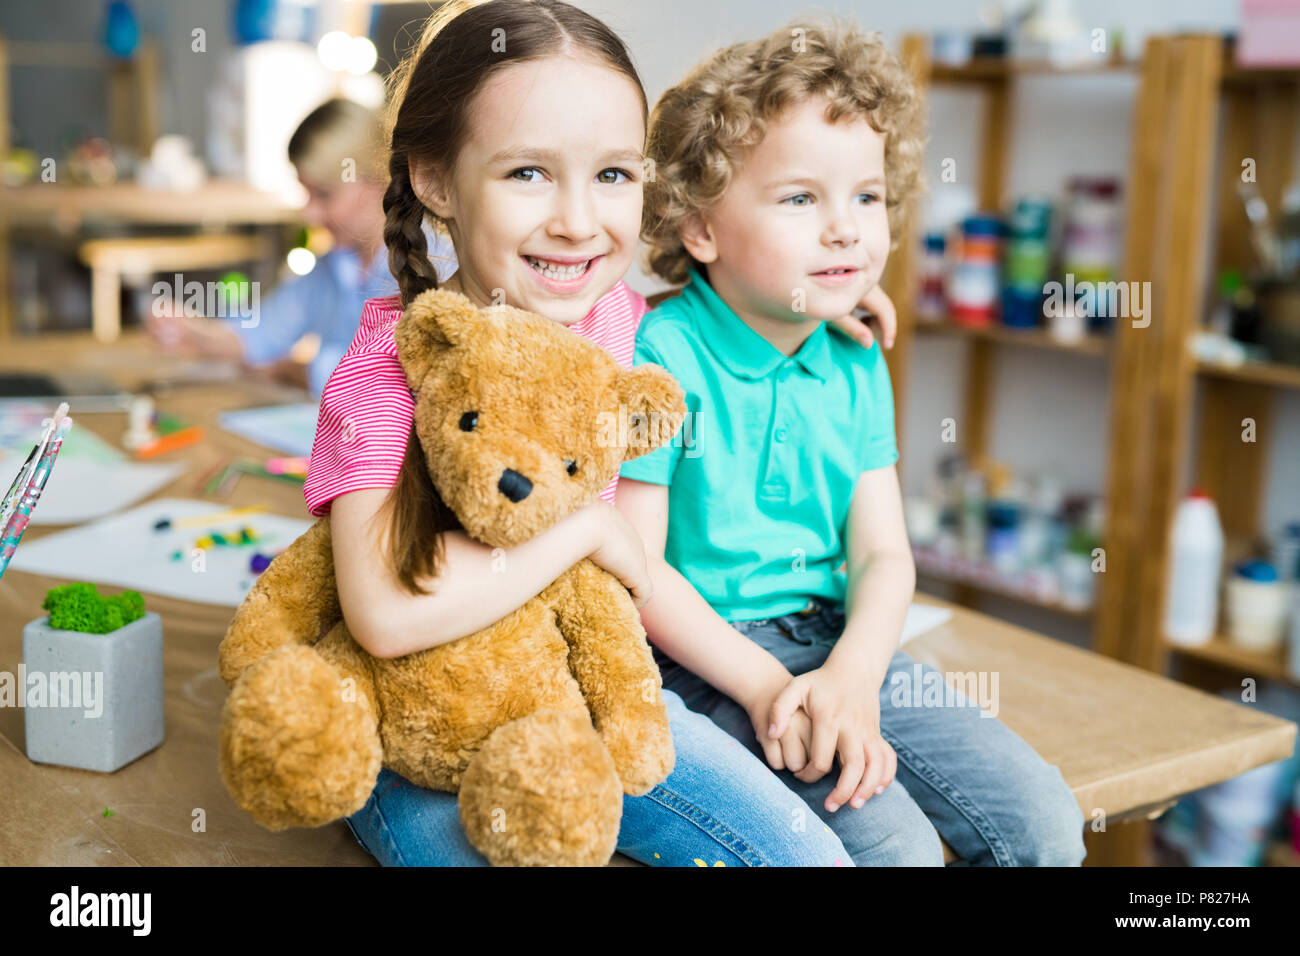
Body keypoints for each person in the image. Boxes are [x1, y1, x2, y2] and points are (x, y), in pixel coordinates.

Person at [304, 0, 896, 866]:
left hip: (585, 689)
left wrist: (826, 302)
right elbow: (388, 616)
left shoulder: (615, 319)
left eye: (614, 175)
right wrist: (586, 530)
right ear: (433, 180)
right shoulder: (385, 374)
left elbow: (726, 286)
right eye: (528, 174)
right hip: (414, 720)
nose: (580, 222)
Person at [615, 20, 1089, 866]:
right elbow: (639, 576)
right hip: (708, 659)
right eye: (801, 198)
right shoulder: (660, 356)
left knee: (1045, 824)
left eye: (865, 196)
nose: (845, 230)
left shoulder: (855, 358)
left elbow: (883, 556)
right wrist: (769, 688)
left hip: (842, 642)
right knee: (894, 852)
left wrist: (854, 677)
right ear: (699, 228)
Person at [145, 98, 453, 397]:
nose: (309, 214)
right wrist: (193, 330)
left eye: (323, 195)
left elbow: (384, 379)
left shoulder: (436, 262)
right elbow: (262, 332)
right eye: (307, 195)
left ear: (378, 180)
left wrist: (296, 371)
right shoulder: (331, 266)